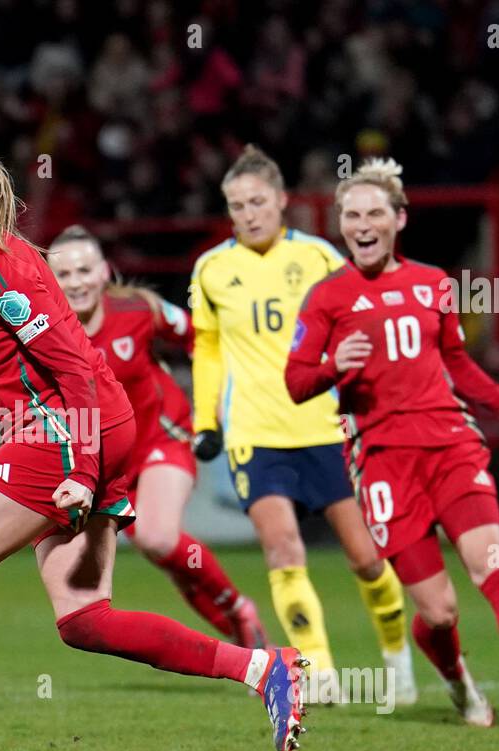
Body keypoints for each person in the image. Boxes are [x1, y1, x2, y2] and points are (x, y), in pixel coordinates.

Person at [0, 144, 308, 751]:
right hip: (74, 432)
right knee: (84, 622)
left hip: (70, 433)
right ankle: (262, 669)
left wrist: (82, 464)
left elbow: (73, 367)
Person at [285, 157, 499, 731]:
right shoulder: (327, 298)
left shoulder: (433, 284)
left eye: (374, 213)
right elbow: (296, 383)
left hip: (451, 448)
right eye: (351, 215)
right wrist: (330, 369)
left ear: (399, 219)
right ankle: (456, 680)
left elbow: (458, 365)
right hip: (385, 466)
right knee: (439, 613)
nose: (362, 224)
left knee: (496, 568)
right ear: (341, 224)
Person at [189, 145, 414, 704]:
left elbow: (360, 323)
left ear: (282, 200)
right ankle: (321, 674)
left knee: (365, 556)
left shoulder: (319, 259)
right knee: (283, 551)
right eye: (237, 205)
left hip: (324, 425)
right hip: (254, 434)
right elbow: (207, 349)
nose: (248, 214)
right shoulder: (212, 269)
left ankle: (396, 655)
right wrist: (204, 418)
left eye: (258, 202)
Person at [47, 225, 269, 649]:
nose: (76, 281)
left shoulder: (139, 310)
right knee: (165, 556)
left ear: (104, 271)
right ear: (50, 282)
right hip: (110, 468)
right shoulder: (44, 335)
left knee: (157, 537)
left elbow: (203, 337)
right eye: (65, 274)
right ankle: (249, 652)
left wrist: (213, 407)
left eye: (84, 269)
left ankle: (238, 608)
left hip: (162, 436)